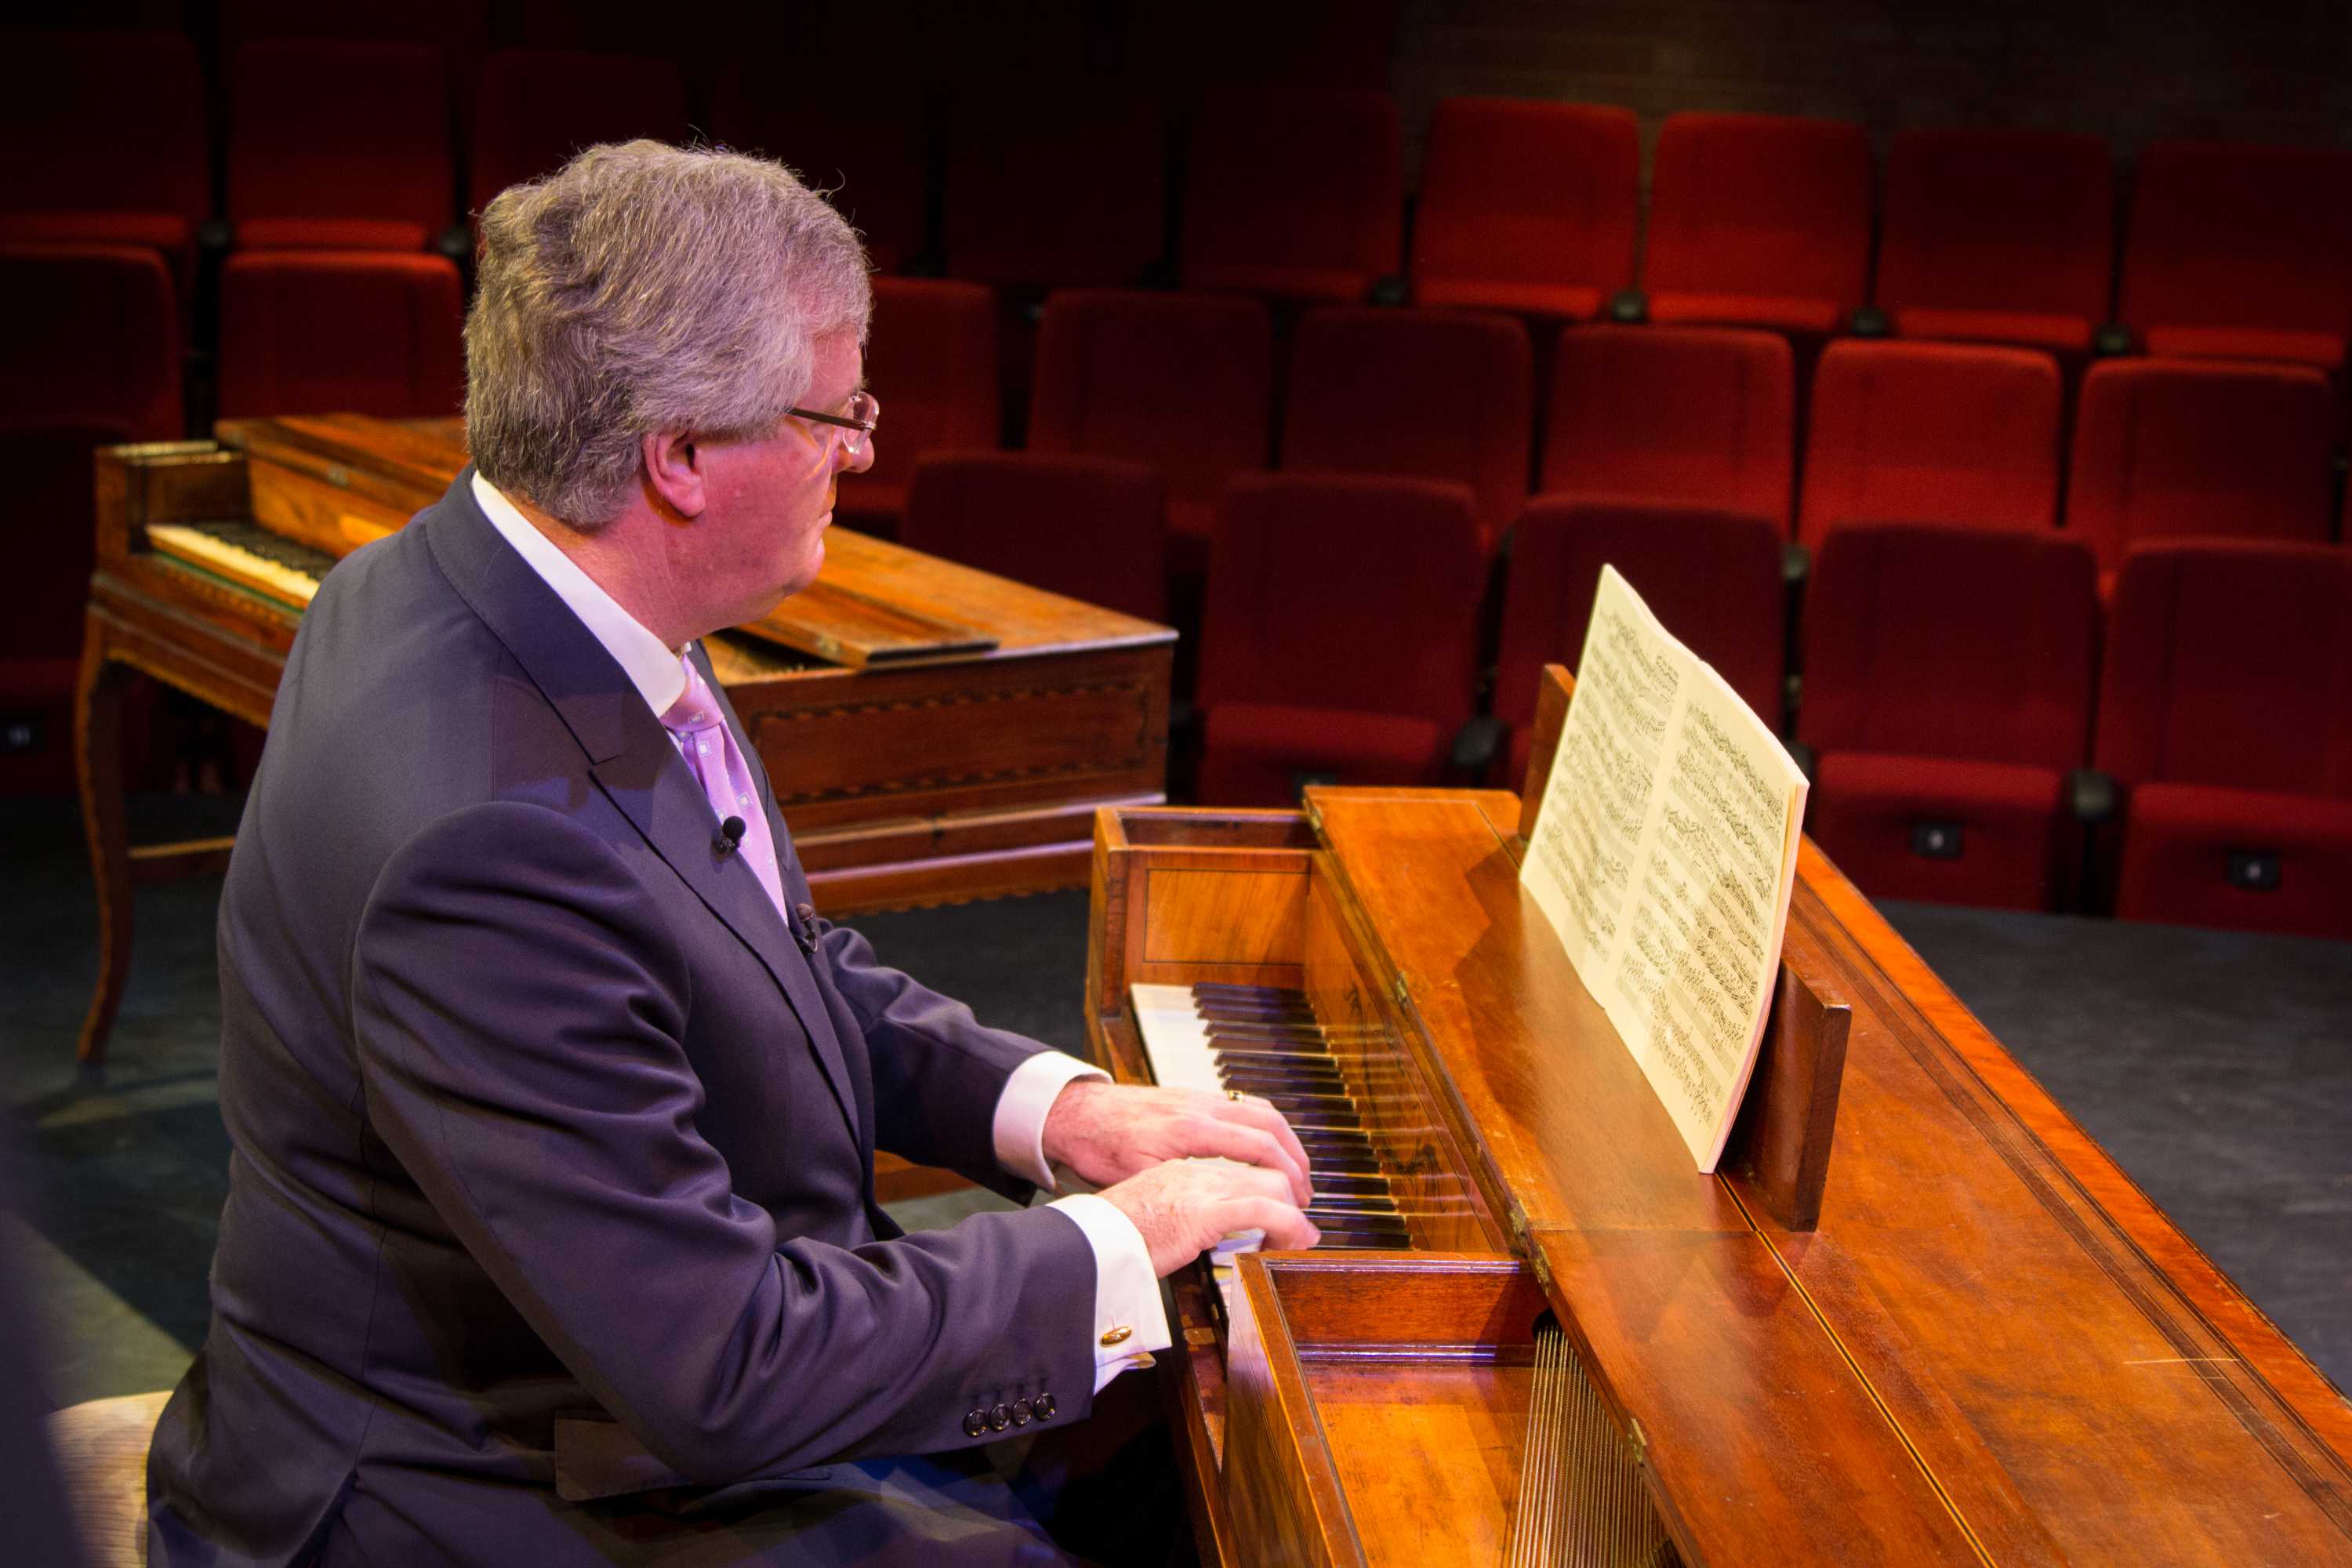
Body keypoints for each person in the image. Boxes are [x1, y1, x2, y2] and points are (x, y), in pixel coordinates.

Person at [147, 140, 1318, 1567]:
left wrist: (1057, 1115)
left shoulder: (500, 588)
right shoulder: (486, 839)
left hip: (628, 1372)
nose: (864, 450)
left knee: (1160, 1429)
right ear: (683, 456)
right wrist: (1117, 1245)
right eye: (836, 409)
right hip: (478, 1478)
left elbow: (766, 962)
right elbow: (724, 1367)